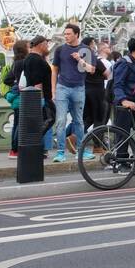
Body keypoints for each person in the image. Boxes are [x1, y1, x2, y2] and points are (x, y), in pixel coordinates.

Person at [49, 23, 93, 163]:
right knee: (61, 121)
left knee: (78, 121)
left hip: (79, 88)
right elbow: (55, 70)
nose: (66, 36)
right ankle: (61, 152)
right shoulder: (60, 50)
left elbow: (91, 70)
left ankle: (81, 150)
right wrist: (53, 90)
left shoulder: (86, 50)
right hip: (62, 87)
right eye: (65, 34)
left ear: (76, 34)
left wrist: (80, 60)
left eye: (68, 34)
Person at [20, 35, 54, 155]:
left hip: (36, 98)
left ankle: (35, 146)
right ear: (40, 45)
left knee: (44, 121)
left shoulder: (29, 58)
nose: (48, 46)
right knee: (50, 119)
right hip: (41, 97)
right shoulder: (36, 60)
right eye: (46, 44)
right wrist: (43, 99)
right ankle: (33, 143)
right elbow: (37, 82)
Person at [2, 39, 29, 158]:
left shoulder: (15, 63)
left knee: (17, 123)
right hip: (24, 96)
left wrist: (15, 84)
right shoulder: (25, 62)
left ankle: (14, 149)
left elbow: (6, 79)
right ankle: (15, 149)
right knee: (20, 124)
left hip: (17, 97)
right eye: (29, 46)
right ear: (24, 49)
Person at [82, 36, 111, 134]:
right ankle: (97, 145)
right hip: (98, 92)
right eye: (93, 43)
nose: (94, 46)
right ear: (90, 45)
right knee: (100, 117)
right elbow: (107, 74)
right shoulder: (95, 60)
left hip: (86, 90)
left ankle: (74, 137)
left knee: (88, 117)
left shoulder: (81, 60)